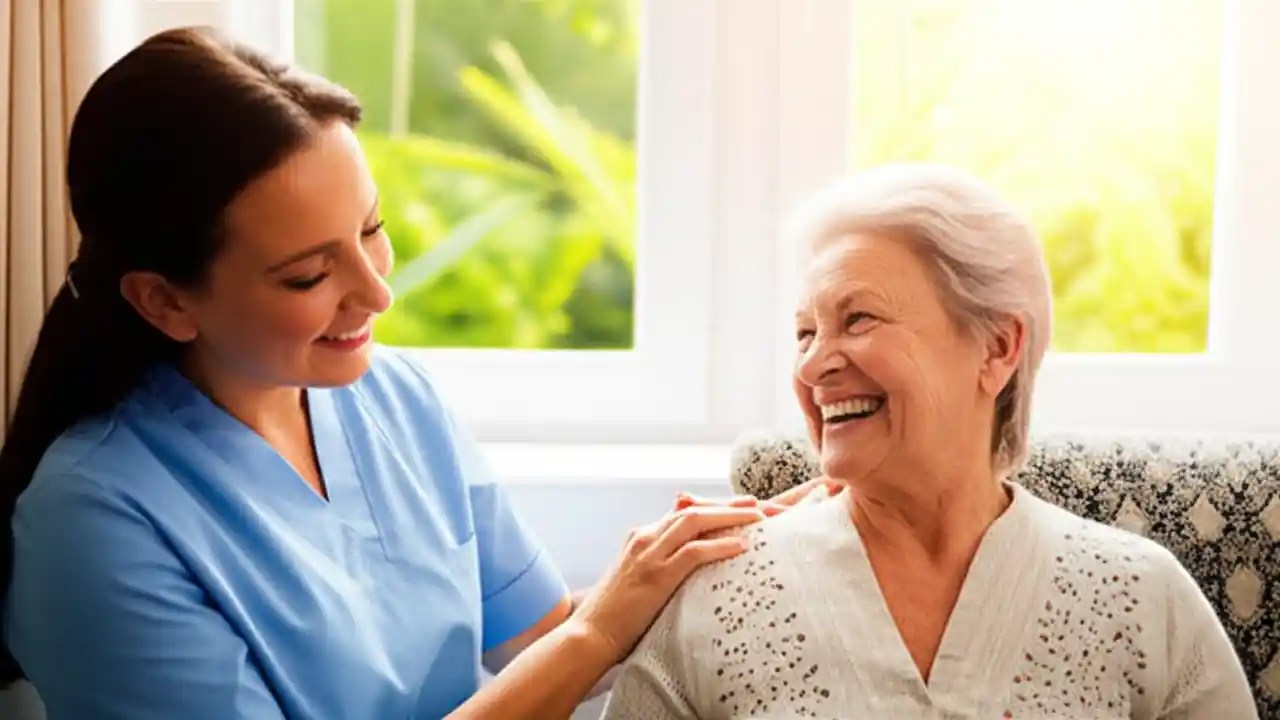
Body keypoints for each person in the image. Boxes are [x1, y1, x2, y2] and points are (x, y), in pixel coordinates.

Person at [0, 27, 830, 720]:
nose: (376, 291)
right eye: (307, 276)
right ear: (164, 301)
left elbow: (543, 641)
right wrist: (600, 629)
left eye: (371, 229)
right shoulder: (93, 522)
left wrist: (735, 555)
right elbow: (579, 646)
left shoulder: (391, 396)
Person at [602, 164, 1259, 718]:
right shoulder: (713, 598)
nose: (811, 366)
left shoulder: (1141, 600)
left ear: (998, 348)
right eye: (805, 334)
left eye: (857, 319)